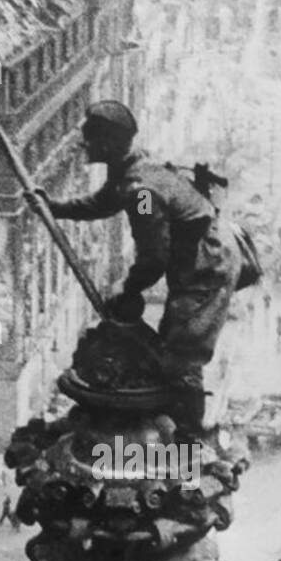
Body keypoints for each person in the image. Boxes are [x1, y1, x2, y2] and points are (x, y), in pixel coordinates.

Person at [30, 101, 241, 431]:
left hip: (208, 263)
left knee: (182, 353)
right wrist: (54, 208)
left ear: (109, 143)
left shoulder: (141, 192)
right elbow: (102, 202)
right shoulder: (130, 167)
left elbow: (154, 258)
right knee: (171, 343)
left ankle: (188, 443)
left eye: (90, 137)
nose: (83, 143)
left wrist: (127, 289)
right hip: (198, 252)